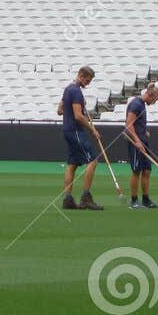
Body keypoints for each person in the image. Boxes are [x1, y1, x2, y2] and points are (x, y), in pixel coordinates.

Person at [58, 66, 104, 211]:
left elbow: (59, 110)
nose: (88, 83)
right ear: (82, 76)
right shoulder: (76, 91)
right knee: (93, 161)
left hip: (67, 130)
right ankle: (85, 198)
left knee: (72, 164)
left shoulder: (68, 89)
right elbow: (78, 115)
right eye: (88, 80)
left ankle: (68, 199)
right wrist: (92, 129)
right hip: (76, 131)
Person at [124, 83, 158, 209]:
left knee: (147, 170)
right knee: (136, 171)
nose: (154, 103)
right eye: (154, 100)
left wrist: (144, 131)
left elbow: (137, 123)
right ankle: (134, 201)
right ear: (150, 95)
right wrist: (137, 141)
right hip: (136, 143)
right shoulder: (136, 104)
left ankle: (146, 200)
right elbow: (129, 125)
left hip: (143, 141)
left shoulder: (142, 105)